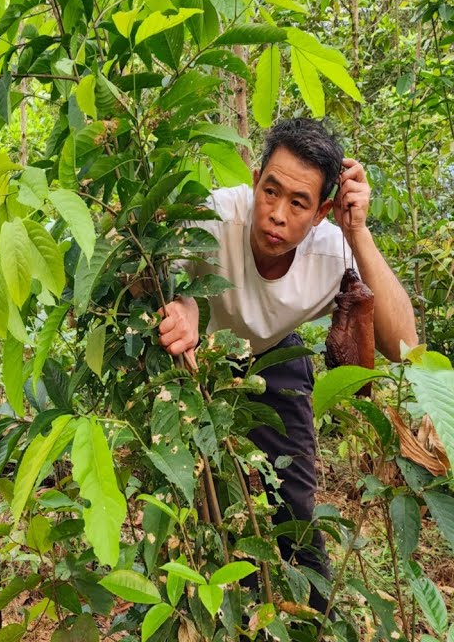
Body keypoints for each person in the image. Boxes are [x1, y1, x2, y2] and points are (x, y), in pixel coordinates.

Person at [157, 118, 418, 611]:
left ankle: (310, 616)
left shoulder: (333, 249)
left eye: (298, 203)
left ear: (320, 212)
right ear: (255, 181)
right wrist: (183, 304)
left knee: (295, 503)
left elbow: (402, 341)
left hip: (277, 353)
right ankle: (217, 606)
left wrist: (357, 231)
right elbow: (154, 277)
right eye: (270, 191)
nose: (276, 214)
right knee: (203, 494)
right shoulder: (214, 216)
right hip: (204, 355)